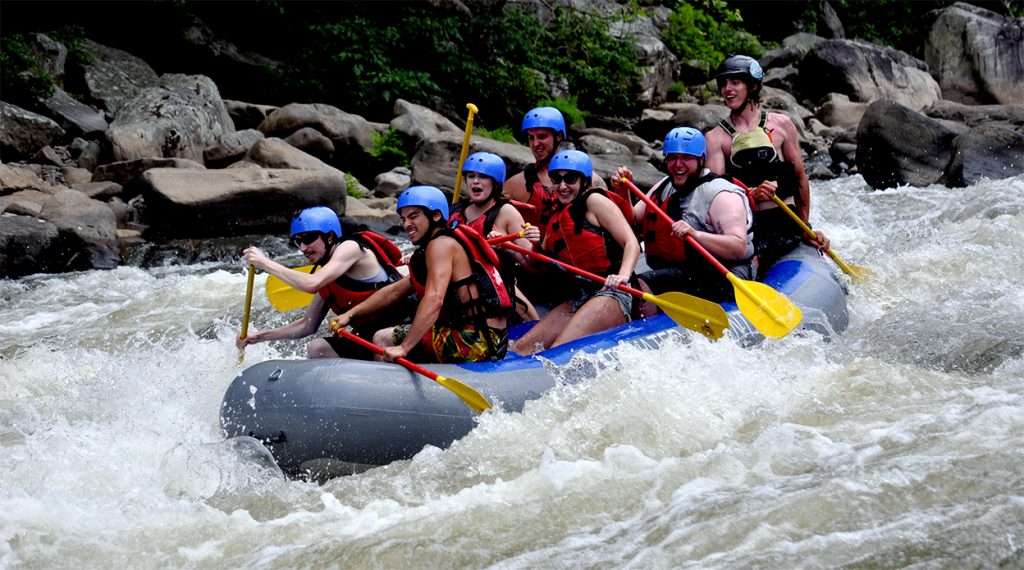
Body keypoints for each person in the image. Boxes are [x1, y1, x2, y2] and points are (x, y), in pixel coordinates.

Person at [332, 186, 512, 363]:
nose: (406, 224)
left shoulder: (440, 245)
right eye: (403, 219)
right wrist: (351, 314)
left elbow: (434, 299)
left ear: (435, 216)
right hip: (487, 336)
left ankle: (389, 389)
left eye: (414, 216)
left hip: (475, 340)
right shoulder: (441, 243)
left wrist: (404, 347)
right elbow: (394, 291)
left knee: (383, 338)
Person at [704, 54, 828, 271]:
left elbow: (799, 177)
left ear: (752, 86)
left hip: (785, 222)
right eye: (723, 84)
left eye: (735, 82)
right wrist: (751, 195)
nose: (727, 89)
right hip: (749, 229)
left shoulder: (782, 125)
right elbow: (717, 195)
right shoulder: (715, 138)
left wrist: (805, 226)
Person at [512, 150, 640, 354]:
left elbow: (631, 242)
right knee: (521, 349)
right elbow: (540, 266)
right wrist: (533, 245)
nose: (562, 186)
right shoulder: (555, 216)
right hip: (581, 293)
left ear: (584, 181)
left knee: (558, 351)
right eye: (556, 179)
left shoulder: (594, 201)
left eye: (570, 179)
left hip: (614, 291)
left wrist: (623, 276)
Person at [238, 206, 408, 358]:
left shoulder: (350, 248)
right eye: (298, 241)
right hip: (370, 338)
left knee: (381, 339)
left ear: (330, 237)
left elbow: (312, 284)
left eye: (309, 238)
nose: (303, 248)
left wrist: (265, 263)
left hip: (401, 330)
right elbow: (307, 325)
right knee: (318, 347)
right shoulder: (329, 273)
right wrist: (259, 337)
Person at [615, 127, 754, 311]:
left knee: (643, 283)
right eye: (672, 158)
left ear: (701, 159)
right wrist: (623, 191)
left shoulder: (722, 194)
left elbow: (738, 247)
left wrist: (696, 235)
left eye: (686, 158)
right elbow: (632, 222)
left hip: (725, 274)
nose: (677, 164)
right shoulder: (664, 186)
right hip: (682, 272)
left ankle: (645, 325)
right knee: (638, 282)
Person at [449, 151, 540, 321]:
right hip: (458, 288)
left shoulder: (506, 212)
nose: (475, 181)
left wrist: (508, 249)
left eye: (483, 177)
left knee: (532, 322)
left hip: (497, 287)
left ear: (495, 183)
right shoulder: (455, 212)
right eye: (471, 176)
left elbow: (531, 263)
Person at [503, 106, 607, 229]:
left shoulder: (591, 180)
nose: (535, 144)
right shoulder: (515, 185)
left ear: (558, 136)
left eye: (542, 136)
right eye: (531, 137)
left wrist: (623, 192)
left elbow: (615, 223)